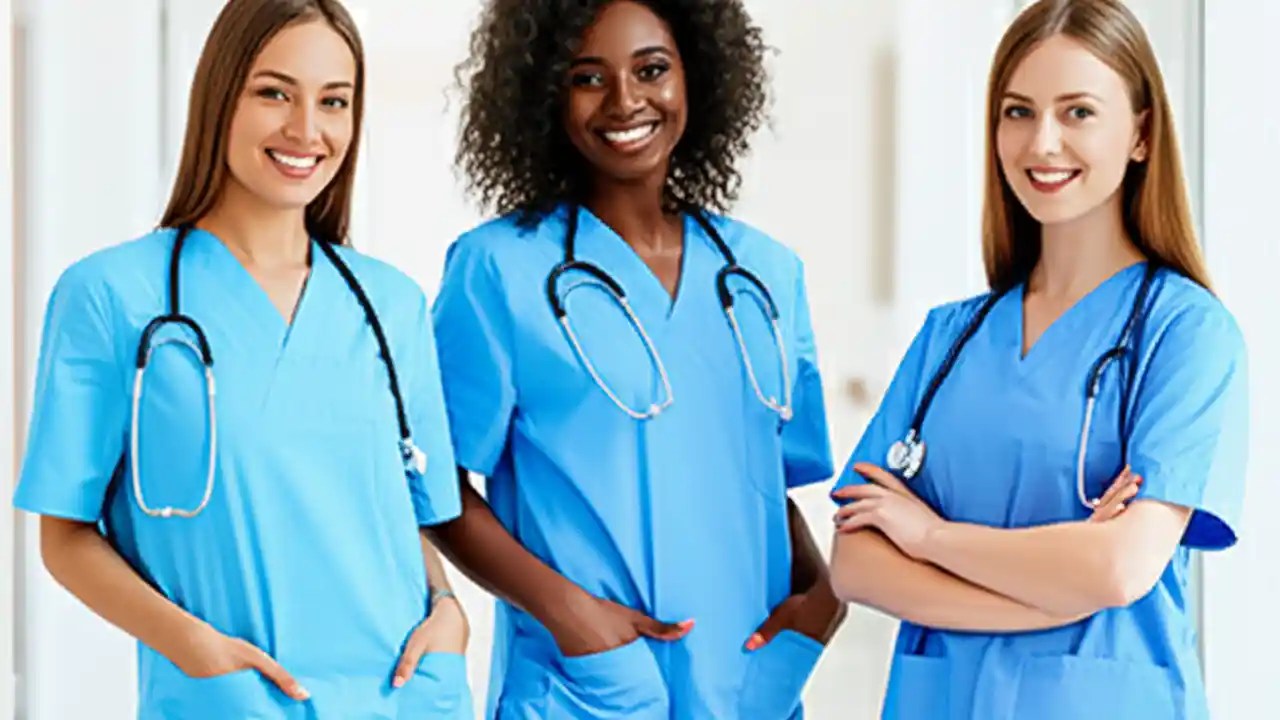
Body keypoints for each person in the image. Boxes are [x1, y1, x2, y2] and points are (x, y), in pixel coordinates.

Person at [13, 1, 471, 717]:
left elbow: (399, 510)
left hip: (406, 697)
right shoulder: (111, 297)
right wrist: (192, 646)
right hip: (229, 700)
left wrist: (447, 606)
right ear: (220, 94)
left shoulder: (392, 305)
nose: (306, 130)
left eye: (334, 102)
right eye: (274, 93)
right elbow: (64, 535)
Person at [828, 1, 1247, 718]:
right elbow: (857, 564)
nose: (1041, 143)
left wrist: (930, 538)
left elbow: (1120, 568)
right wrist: (1051, 592)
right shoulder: (949, 337)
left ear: (1141, 133)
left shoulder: (1185, 332)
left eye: (1077, 112)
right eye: (1018, 112)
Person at [429, 1, 844, 717]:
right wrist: (569, 614)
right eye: (588, 77)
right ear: (545, 92)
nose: (625, 100)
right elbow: (433, 481)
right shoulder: (498, 271)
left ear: (698, 77)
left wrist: (820, 605)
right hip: (587, 689)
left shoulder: (766, 275)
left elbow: (756, 483)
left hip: (746, 684)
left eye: (652, 69)